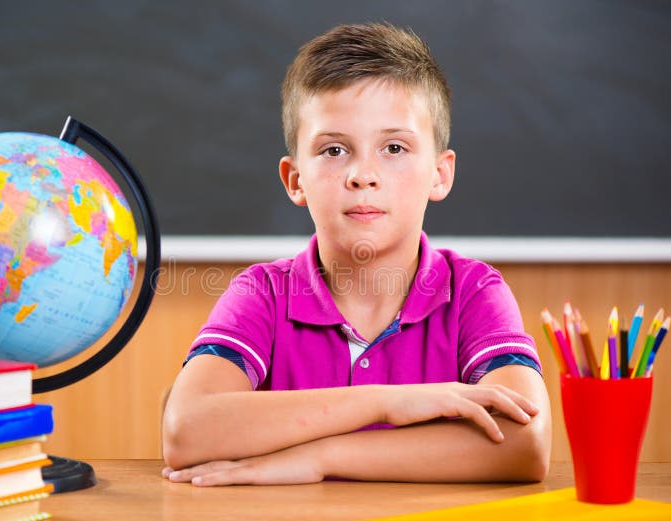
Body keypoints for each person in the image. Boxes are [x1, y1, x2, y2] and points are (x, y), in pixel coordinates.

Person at [162, 22, 551, 486]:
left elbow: (524, 444)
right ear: (295, 179)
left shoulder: (473, 293)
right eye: (333, 150)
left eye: (393, 147)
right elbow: (187, 432)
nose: (362, 174)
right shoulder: (263, 293)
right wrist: (386, 403)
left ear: (439, 174)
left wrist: (323, 456)